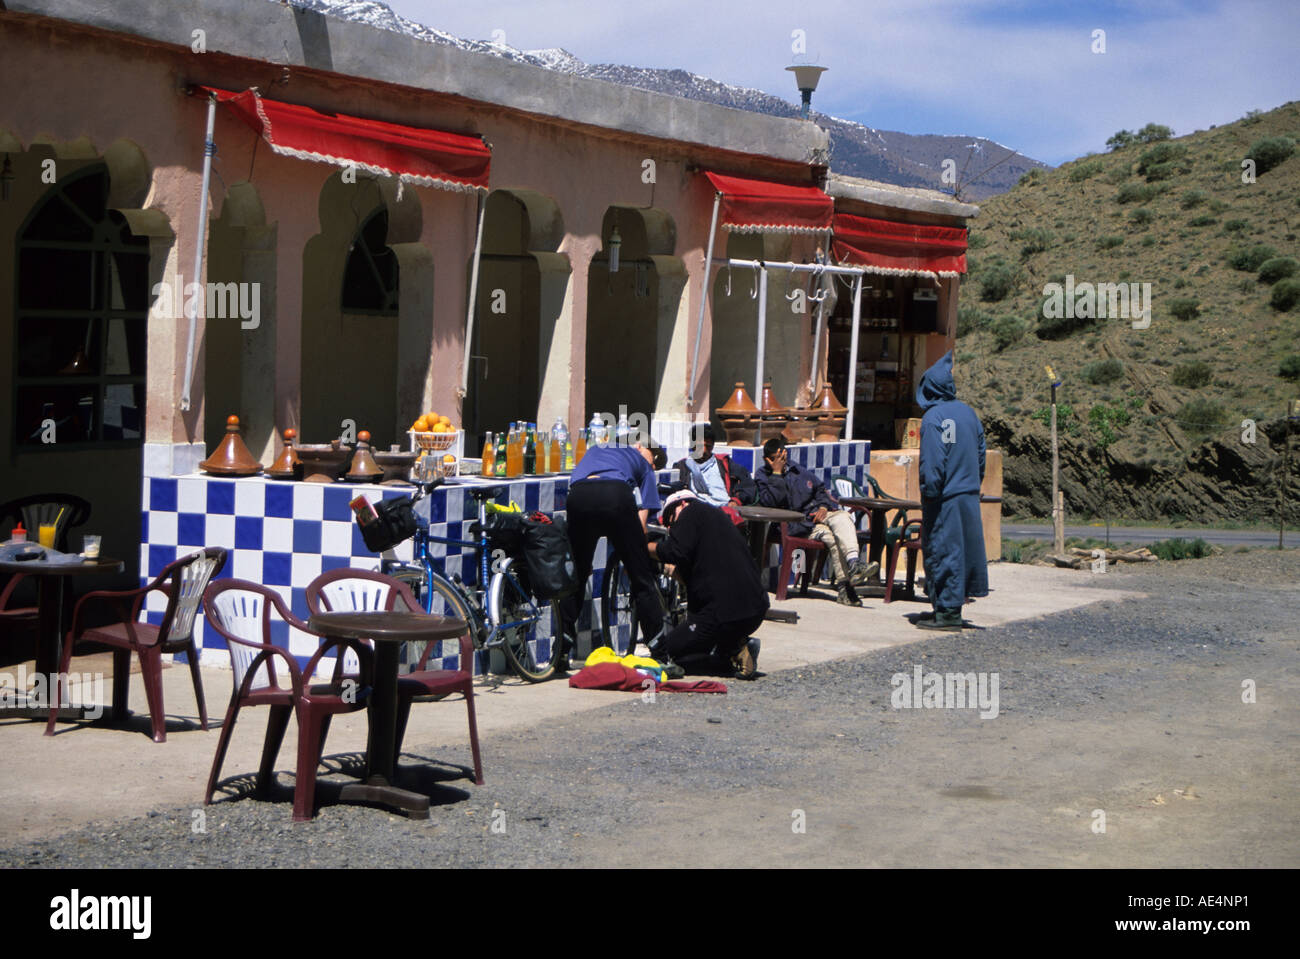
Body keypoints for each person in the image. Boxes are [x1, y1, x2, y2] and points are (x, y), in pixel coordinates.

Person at [560, 436, 668, 667]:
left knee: (576, 580)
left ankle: (559, 652)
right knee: (642, 580)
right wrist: (635, 557)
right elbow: (641, 522)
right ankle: (661, 654)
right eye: (652, 461)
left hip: (578, 496)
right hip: (615, 495)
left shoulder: (597, 448)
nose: (651, 466)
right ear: (640, 447)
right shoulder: (643, 463)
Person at [648, 490, 768, 678]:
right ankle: (735, 646)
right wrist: (671, 570)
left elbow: (674, 551)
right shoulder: (715, 519)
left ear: (681, 504)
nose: (671, 528)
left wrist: (645, 547)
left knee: (666, 651)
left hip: (723, 613)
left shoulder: (690, 512)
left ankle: (736, 648)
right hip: (756, 608)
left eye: (670, 521)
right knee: (707, 653)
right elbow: (699, 576)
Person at [755, 437, 878, 606]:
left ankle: (854, 562)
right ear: (767, 459)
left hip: (815, 517)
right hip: (794, 525)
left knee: (843, 517)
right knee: (831, 537)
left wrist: (823, 506)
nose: (781, 461)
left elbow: (820, 489)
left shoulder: (798, 471)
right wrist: (776, 473)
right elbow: (770, 502)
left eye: (783, 457)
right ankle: (845, 588)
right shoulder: (763, 475)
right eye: (776, 458)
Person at [914, 351, 988, 631]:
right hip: (968, 495)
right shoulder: (969, 414)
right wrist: (972, 483)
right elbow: (980, 456)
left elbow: (933, 462)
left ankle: (947, 613)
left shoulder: (934, 418)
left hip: (945, 498)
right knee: (962, 552)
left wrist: (930, 492)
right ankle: (947, 606)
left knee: (944, 551)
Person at [672, 423, 756, 524]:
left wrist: (735, 501)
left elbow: (748, 485)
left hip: (725, 513)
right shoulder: (682, 467)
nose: (703, 450)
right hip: (696, 516)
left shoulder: (725, 463)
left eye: (708, 446)